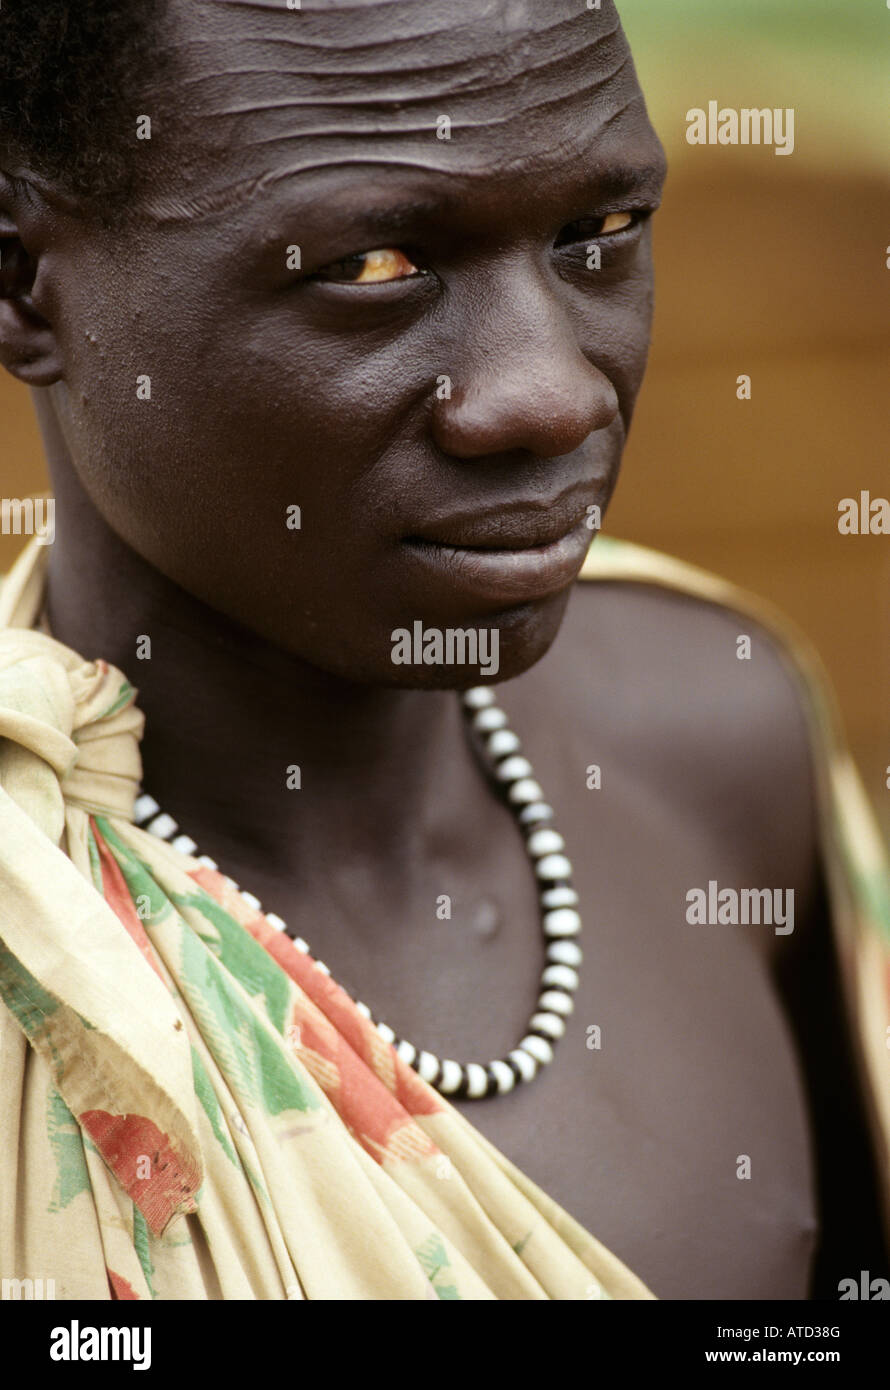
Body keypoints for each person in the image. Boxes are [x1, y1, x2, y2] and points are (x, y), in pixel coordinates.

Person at [0, 0, 887, 1301]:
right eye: (373, 269)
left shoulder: (718, 732)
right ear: (25, 281)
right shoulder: (38, 935)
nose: (552, 391)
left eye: (600, 234)